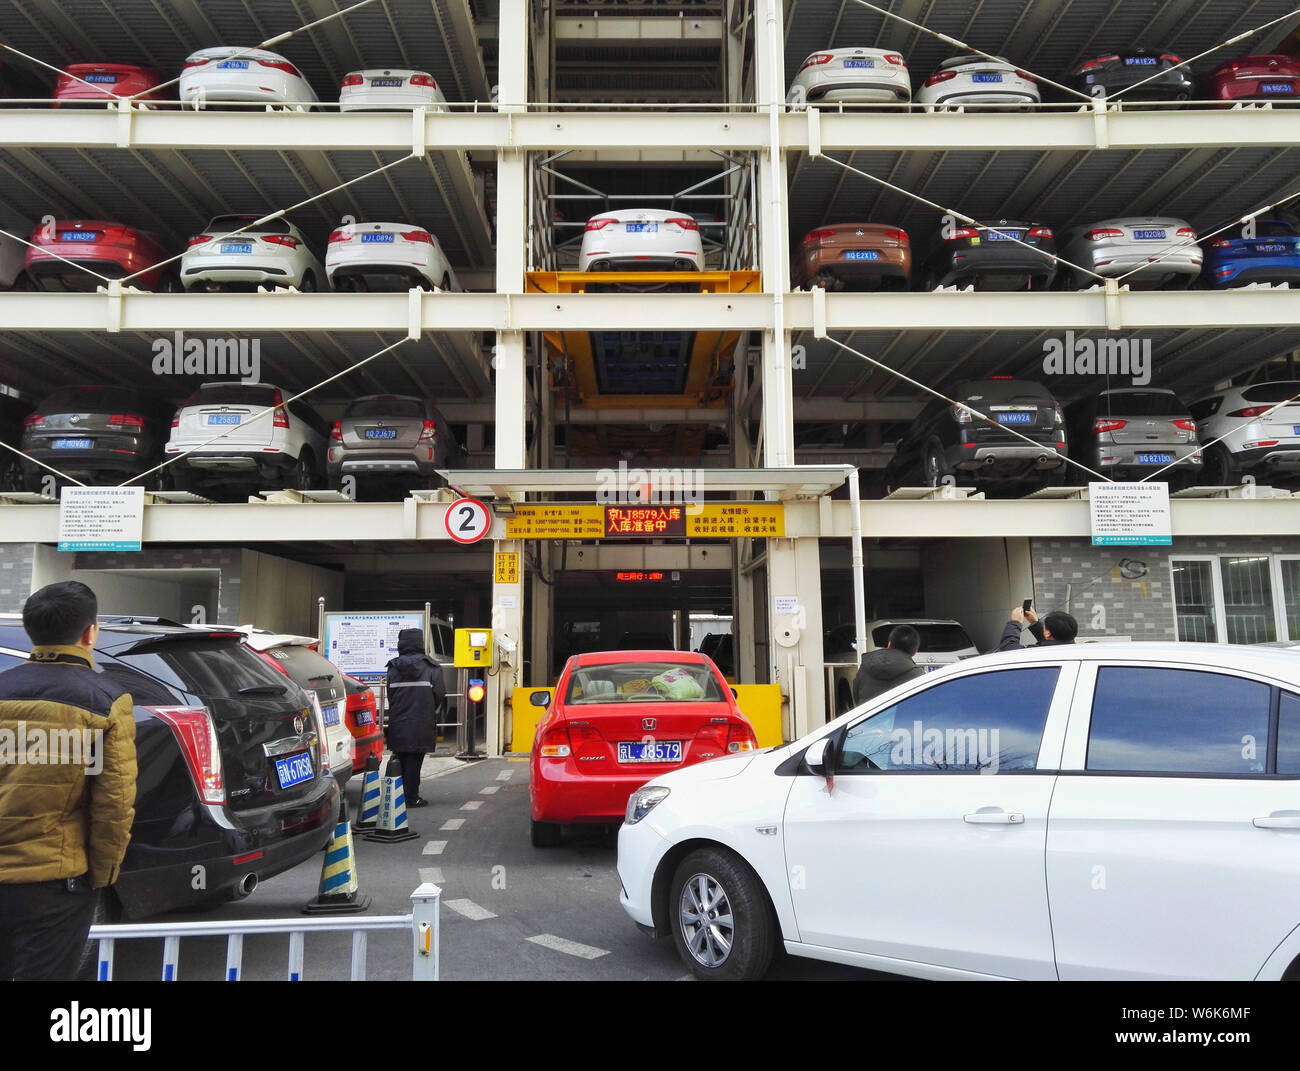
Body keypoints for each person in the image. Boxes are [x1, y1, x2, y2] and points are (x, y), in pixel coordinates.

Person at [0, 581, 137, 982]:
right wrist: (102, 876)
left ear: (30, 631)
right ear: (90, 632)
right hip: (54, 882)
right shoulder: (106, 701)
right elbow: (113, 803)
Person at [384, 627, 446, 808]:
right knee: (415, 759)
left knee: (400, 757)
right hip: (421, 720)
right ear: (420, 643)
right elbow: (440, 693)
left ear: (401, 644)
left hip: (399, 720)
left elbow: (390, 694)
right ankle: (411, 797)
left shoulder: (393, 667)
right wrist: (428, 707)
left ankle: (399, 795)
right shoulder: (432, 667)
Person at [852, 623, 926, 706]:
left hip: (867, 718)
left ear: (889, 644)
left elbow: (856, 696)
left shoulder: (865, 667)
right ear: (915, 652)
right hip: (900, 719)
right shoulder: (918, 676)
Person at [999, 605, 1078, 651]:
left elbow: (1008, 648)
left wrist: (1015, 623)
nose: (1043, 625)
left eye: (1045, 625)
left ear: (1048, 633)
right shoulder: (1071, 648)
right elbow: (1049, 642)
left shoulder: (1038, 653)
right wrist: (1035, 623)